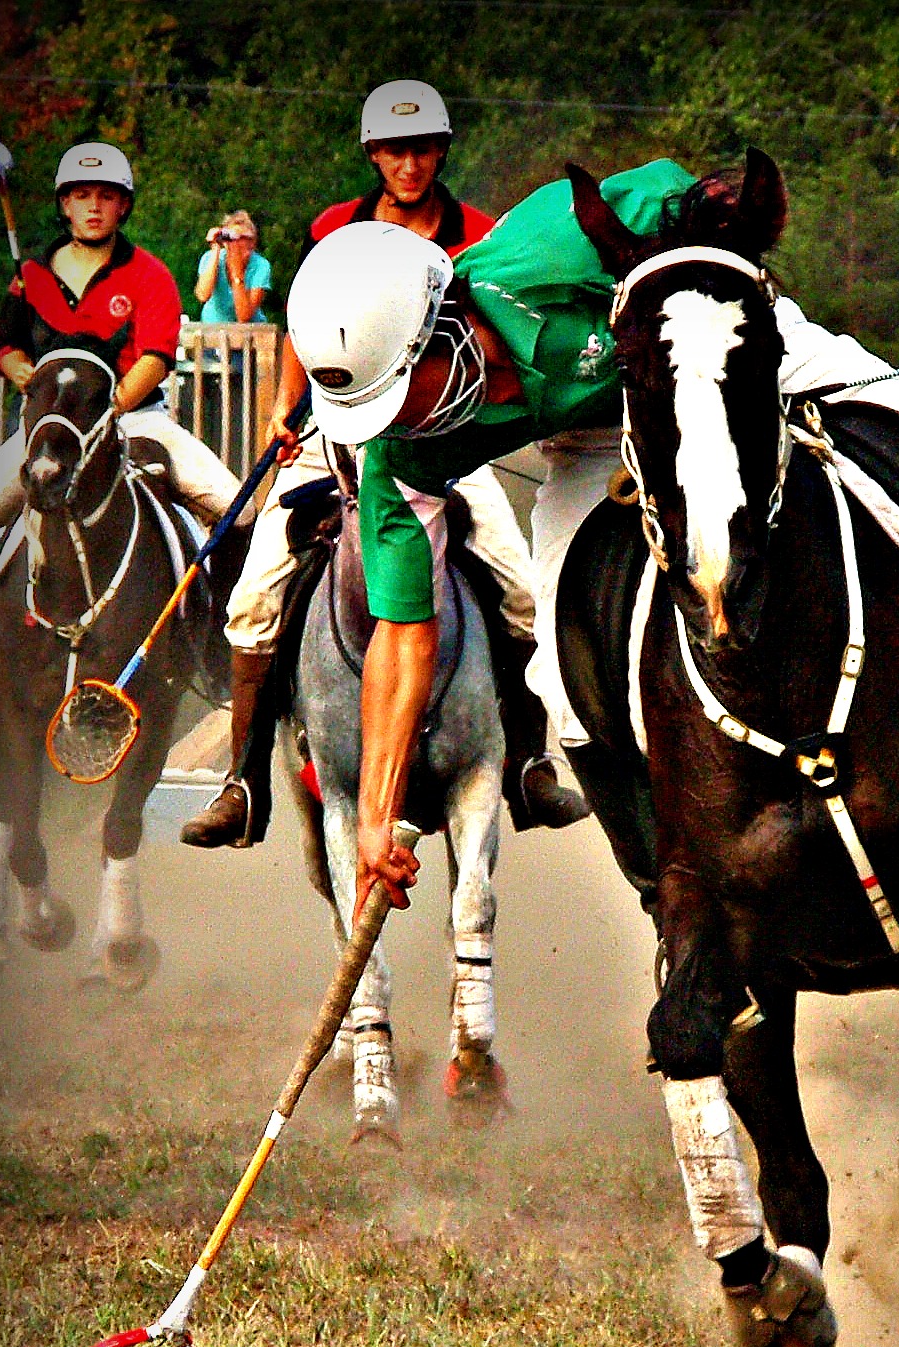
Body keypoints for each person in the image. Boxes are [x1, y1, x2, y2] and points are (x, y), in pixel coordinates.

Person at [278, 158, 899, 915]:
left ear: (445, 320)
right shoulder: (395, 454)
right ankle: (669, 897)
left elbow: (684, 208)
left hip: (716, 342)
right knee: (559, 685)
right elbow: (403, 636)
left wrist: (718, 231)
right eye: (381, 410)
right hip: (592, 436)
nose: (408, 418)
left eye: (410, 387)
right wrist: (375, 817)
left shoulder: (552, 246)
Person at [181, 78, 586, 850]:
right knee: (255, 597)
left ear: (441, 151)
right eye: (395, 149)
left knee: (519, 588)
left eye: (423, 147)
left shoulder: (480, 232)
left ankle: (528, 763)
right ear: (373, 153)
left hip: (445, 440)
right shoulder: (337, 228)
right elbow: (302, 323)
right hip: (335, 437)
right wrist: (281, 407)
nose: (410, 162)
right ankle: (242, 784)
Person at [0, 142, 249, 541]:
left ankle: (223, 603)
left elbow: (155, 358)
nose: (94, 207)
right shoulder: (30, 275)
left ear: (123, 205)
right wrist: (20, 370)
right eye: (82, 196)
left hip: (136, 420)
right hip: (50, 424)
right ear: (65, 205)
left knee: (237, 506)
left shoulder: (150, 274)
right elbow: (7, 345)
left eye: (106, 196)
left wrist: (105, 410)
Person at [193, 210, 270, 324]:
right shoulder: (210, 258)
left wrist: (236, 271)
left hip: (250, 331)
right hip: (213, 327)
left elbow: (243, 317)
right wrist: (215, 249)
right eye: (231, 237)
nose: (236, 243)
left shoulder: (261, 266)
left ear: (253, 242)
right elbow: (203, 295)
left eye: (243, 238)